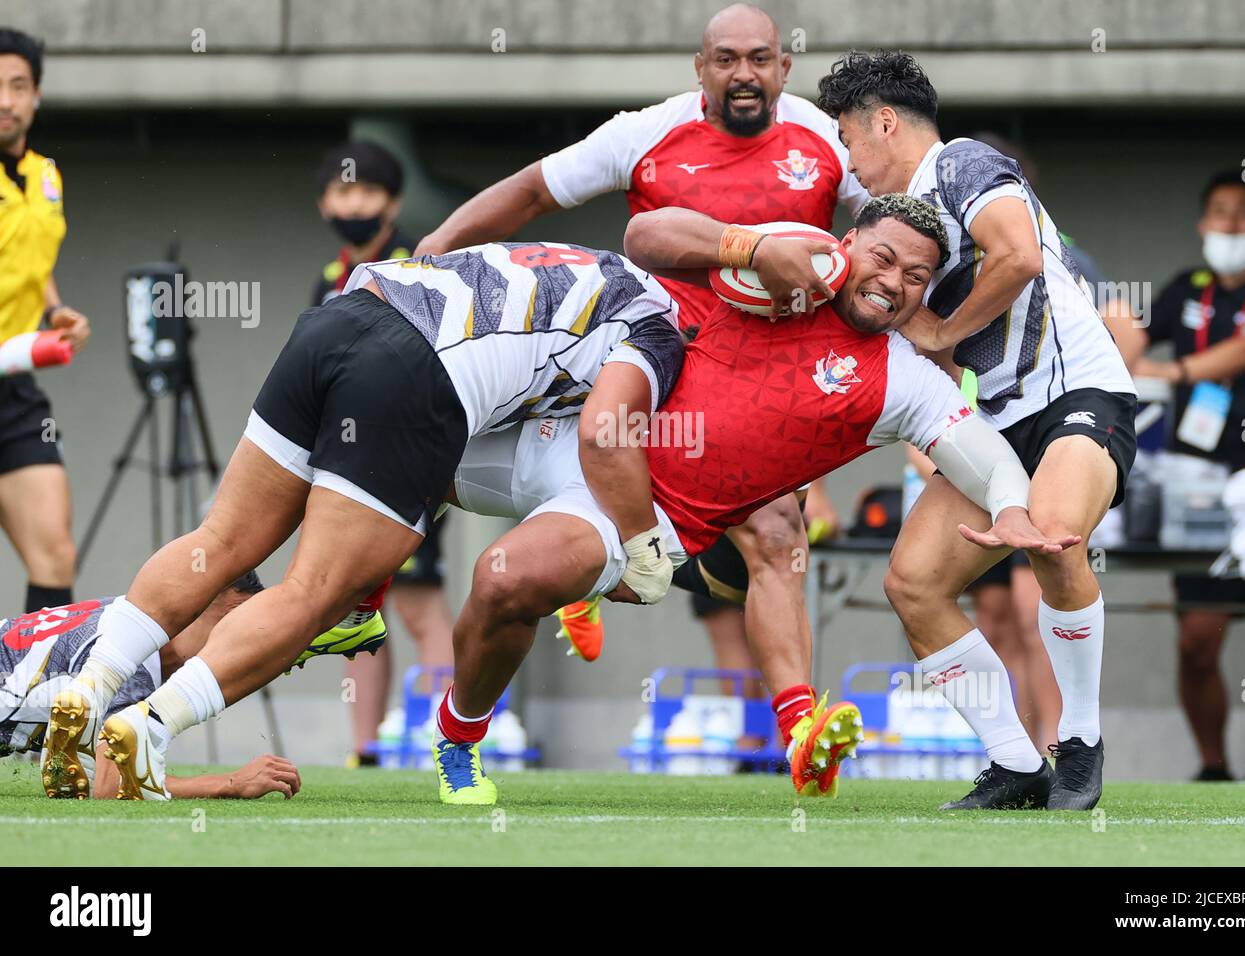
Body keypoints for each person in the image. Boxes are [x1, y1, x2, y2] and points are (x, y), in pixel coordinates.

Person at [425, 195, 1076, 806]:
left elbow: (987, 460)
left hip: (635, 516)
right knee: (391, 479)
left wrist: (1013, 507)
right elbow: (643, 235)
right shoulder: (782, 271)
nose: (894, 281)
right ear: (846, 245)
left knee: (503, 582)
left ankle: (458, 737)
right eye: (883, 258)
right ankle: (353, 605)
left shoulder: (902, 381)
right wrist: (749, 248)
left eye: (916, 276)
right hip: (568, 419)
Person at [50, 240, 685, 800]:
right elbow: (606, 434)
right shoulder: (665, 325)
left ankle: (92, 682)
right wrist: (644, 547)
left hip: (342, 315)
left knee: (218, 540)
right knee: (309, 594)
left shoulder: (600, 265)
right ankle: (148, 726)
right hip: (412, 371)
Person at [414, 3, 871, 733]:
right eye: (726, 59)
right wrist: (430, 251)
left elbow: (887, 238)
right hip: (645, 362)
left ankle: (798, 731)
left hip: (759, 383)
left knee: (778, 532)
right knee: (444, 461)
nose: (744, 74)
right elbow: (533, 191)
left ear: (785, 67)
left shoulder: (826, 141)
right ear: (700, 69)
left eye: (760, 58)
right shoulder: (646, 132)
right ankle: (367, 600)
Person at [818, 51, 1135, 810]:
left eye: (848, 138)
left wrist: (939, 331)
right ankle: (1015, 763)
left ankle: (1081, 742)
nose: (847, 161)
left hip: (1077, 396)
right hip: (996, 423)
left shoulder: (959, 162)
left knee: (1054, 534)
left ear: (884, 121)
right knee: (913, 584)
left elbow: (1019, 257)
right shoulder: (901, 226)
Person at [1134, 171, 1245, 787]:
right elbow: (1131, 342)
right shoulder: (1185, 288)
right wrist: (1114, 329)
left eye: (1244, 214)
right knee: (1196, 640)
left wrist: (1175, 369)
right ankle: (1213, 765)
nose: (1230, 225)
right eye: (1220, 214)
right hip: (1194, 485)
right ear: (1203, 224)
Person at [312, 140, 455, 767]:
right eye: (343, 192)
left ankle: (451, 737)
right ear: (324, 203)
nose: (354, 203)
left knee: (419, 604)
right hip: (344, 462)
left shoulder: (418, 261)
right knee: (352, 609)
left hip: (411, 453)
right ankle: (365, 748)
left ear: (392, 202)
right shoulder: (326, 277)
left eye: (367, 192)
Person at [4, 573, 300, 799]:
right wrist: (231, 783)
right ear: (194, 608)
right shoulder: (133, 663)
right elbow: (107, 785)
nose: (237, 641)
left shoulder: (133, 615)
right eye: (229, 622)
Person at [0, 28, 91, 613]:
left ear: (36, 96)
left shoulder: (47, 176)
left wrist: (54, 308)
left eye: (18, 86)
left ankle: (29, 700)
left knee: (54, 554)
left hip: (13, 389)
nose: (5, 100)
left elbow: (35, 263)